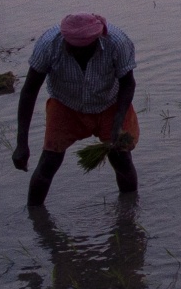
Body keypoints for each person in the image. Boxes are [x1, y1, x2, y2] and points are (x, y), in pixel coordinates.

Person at [14, 13, 139, 205]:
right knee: (49, 162)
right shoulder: (49, 44)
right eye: (71, 48)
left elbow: (128, 84)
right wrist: (22, 143)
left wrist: (118, 120)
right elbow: (29, 91)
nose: (76, 53)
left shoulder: (117, 42)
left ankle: (129, 217)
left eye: (83, 50)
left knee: (121, 160)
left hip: (109, 104)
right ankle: (34, 215)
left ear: (97, 41)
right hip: (66, 106)